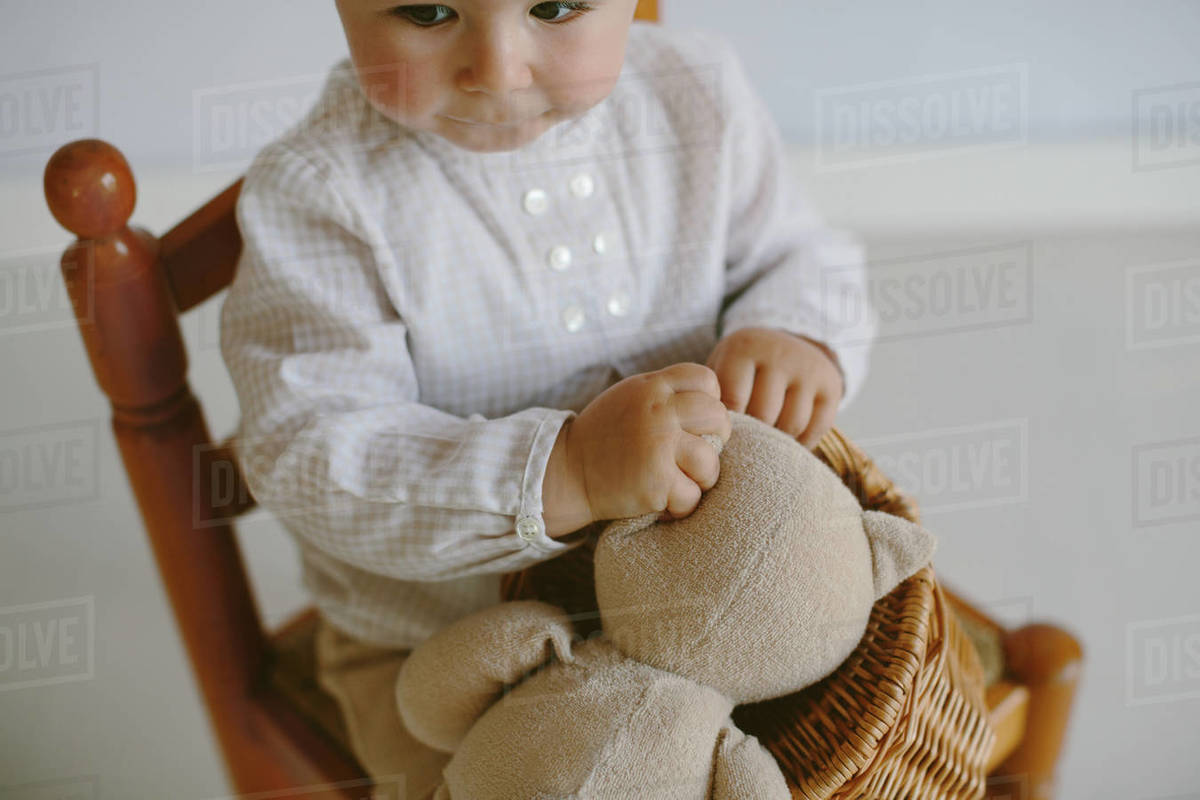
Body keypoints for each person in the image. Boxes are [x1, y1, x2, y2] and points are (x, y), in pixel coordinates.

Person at [219, 1, 877, 795]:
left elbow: (798, 253)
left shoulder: (695, 94)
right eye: (426, 11)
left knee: (863, 707)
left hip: (708, 592)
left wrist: (794, 333)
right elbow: (310, 454)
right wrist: (565, 471)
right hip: (442, 641)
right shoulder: (322, 195)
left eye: (556, 7)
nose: (497, 69)